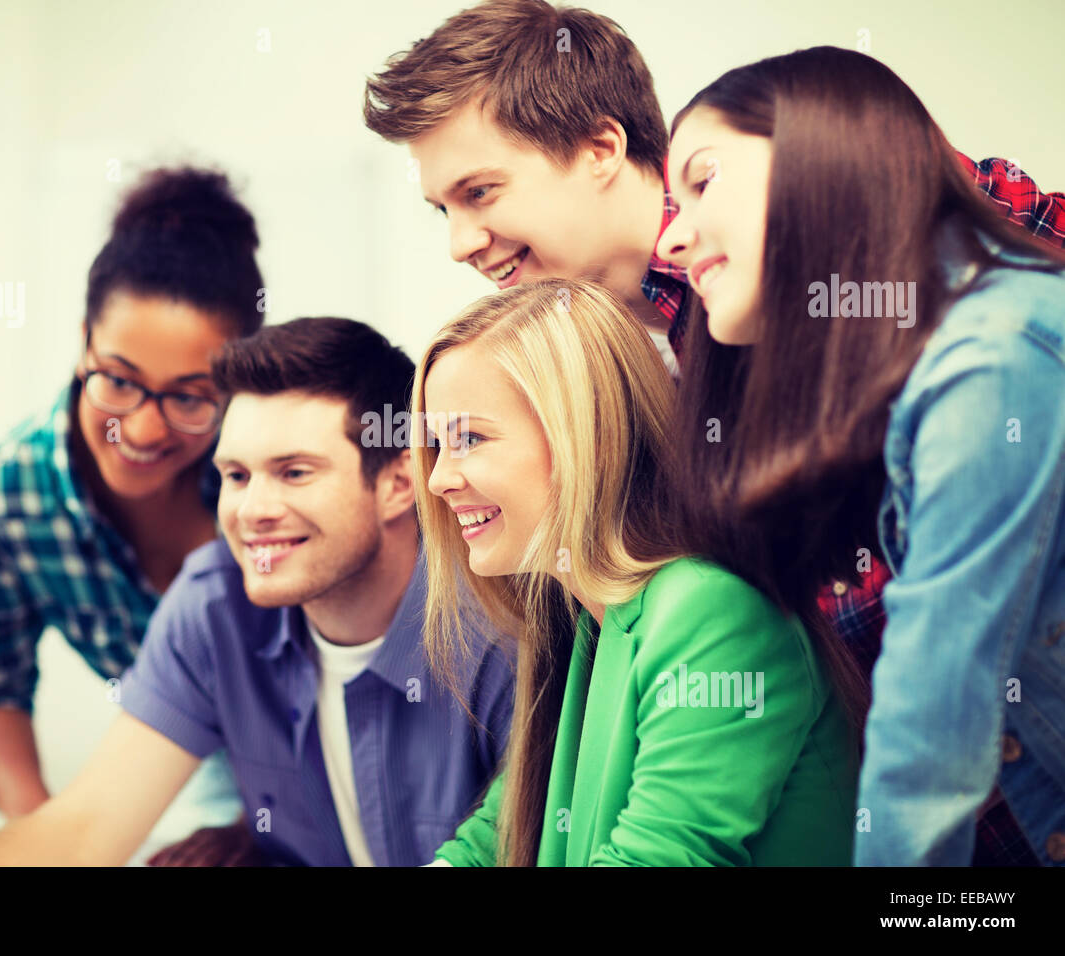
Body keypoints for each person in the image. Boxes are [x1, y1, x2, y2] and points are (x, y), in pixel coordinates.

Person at [363, 0, 1065, 861]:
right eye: (441, 209)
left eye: (480, 192)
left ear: (601, 149)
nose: (461, 243)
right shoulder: (616, 369)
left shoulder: (818, 210)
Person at [654, 46, 1065, 866]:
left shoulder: (992, 358)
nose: (671, 239)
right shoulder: (926, 365)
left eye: (704, 181)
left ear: (824, 156)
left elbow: (930, 735)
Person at [0, 317, 515, 866]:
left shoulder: (501, 631)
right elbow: (86, 827)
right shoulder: (214, 605)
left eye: (294, 472)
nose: (251, 511)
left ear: (399, 483)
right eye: (236, 476)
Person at [414, 279, 859, 866]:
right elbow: (499, 832)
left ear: (586, 435)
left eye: (470, 438)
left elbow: (657, 857)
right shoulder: (583, 619)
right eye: (437, 445)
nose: (438, 479)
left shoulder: (711, 609)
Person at [0, 166, 258, 826]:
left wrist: (255, 828)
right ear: (83, 340)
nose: (141, 430)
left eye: (190, 397)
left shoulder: (274, 471)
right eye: (118, 380)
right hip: (189, 763)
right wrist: (40, 835)